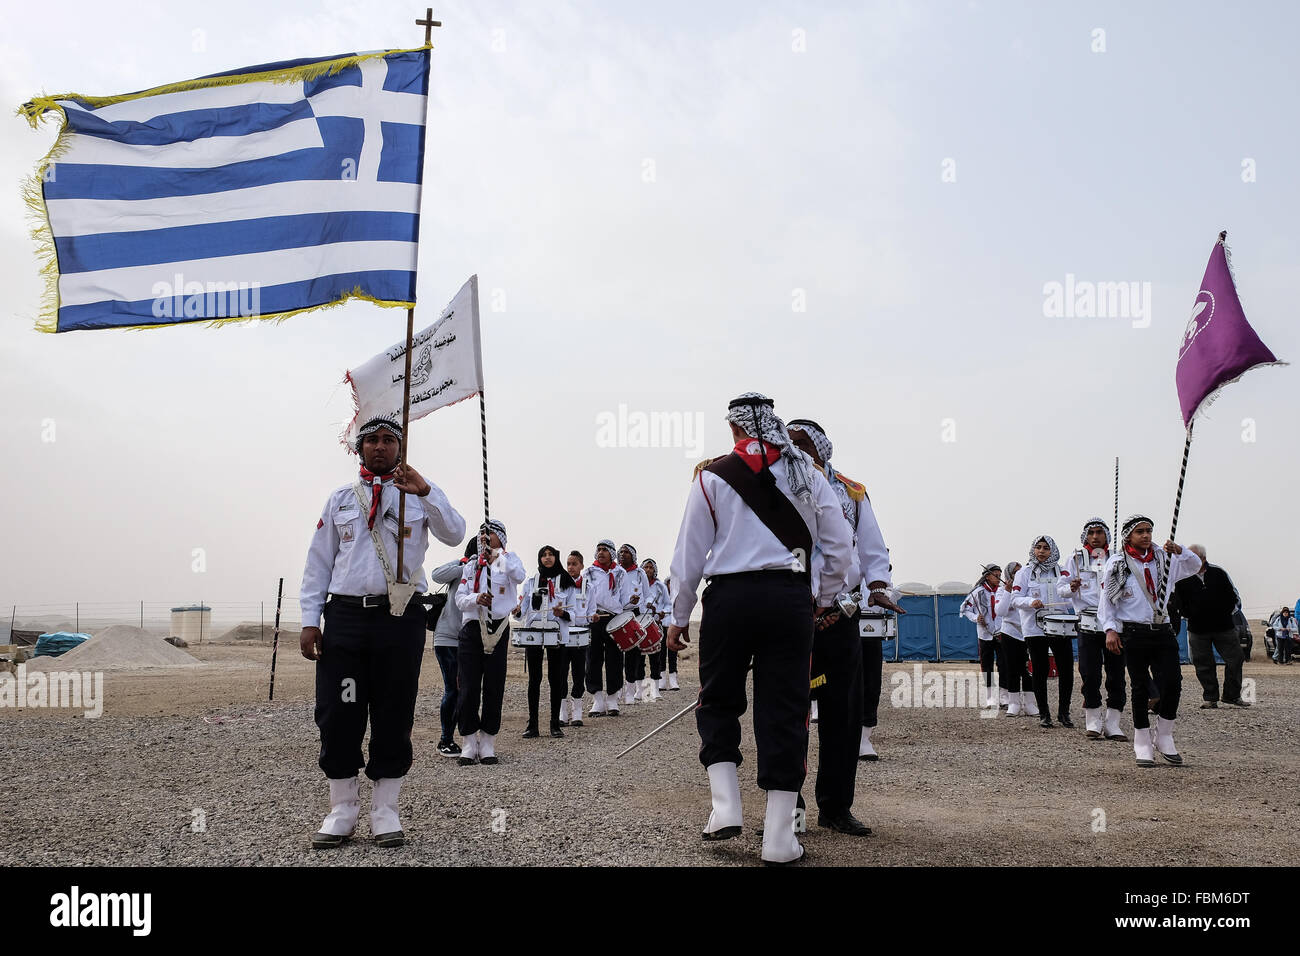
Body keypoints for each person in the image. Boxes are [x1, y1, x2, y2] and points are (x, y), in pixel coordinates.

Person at [667, 392, 854, 865]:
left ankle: (725, 808)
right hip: (788, 599)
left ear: (733, 430)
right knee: (785, 711)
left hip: (728, 599)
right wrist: (824, 597)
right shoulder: (808, 473)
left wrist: (677, 614)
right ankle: (778, 839)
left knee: (718, 699)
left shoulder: (711, 476)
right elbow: (840, 549)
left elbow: (688, 555)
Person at [299, 416, 466, 848]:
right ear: (360, 449)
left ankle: (385, 810)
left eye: (388, 440)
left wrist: (426, 492)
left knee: (393, 710)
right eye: (371, 440)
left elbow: (455, 533)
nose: (379, 447)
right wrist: (308, 619)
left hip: (399, 618)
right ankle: (342, 808)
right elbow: (319, 562)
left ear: (400, 447)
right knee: (340, 710)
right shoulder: (340, 499)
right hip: (347, 621)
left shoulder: (419, 494)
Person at [788, 418, 901, 770]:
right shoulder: (778, 487)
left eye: (802, 443)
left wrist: (878, 586)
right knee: (790, 705)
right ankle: (789, 806)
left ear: (821, 448)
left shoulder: (852, 491)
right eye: (788, 442)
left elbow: (872, 546)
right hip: (792, 608)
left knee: (841, 706)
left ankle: (837, 807)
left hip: (841, 611)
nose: (794, 449)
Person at [1098, 514, 1204, 767]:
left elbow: (1194, 565)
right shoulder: (1117, 563)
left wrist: (1179, 550)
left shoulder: (1164, 558)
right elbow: (1107, 601)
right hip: (1134, 632)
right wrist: (1110, 629)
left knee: (1173, 683)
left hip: (1163, 628)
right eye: (1140, 532)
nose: (1146, 536)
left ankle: (1164, 735)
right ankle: (1142, 740)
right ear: (1128, 536)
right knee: (1140, 687)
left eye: (1149, 530)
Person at [454, 519, 526, 766]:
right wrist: (477, 598)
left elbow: (519, 575)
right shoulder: (472, 566)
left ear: (501, 539)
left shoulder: (509, 560)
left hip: (499, 627)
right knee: (468, 686)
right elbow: (460, 599)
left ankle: (488, 742)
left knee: (494, 686)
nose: (484, 538)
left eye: (490, 535)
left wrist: (497, 557)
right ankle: (468, 740)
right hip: (473, 627)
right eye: (481, 535)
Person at [1061, 519, 1128, 740]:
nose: (1096, 536)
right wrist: (1070, 588)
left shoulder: (1118, 558)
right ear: (1085, 536)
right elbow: (1061, 588)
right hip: (1088, 622)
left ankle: (1113, 722)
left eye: (1100, 532)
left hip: (1115, 623)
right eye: (1091, 533)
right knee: (1089, 673)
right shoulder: (1075, 559)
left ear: (1107, 535)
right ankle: (1092, 719)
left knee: (1116, 674)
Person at [1170, 545, 1250, 707]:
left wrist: (1227, 613)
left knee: (1235, 659)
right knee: (1203, 664)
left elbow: (1234, 596)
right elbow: (1176, 602)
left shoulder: (1218, 573)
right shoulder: (1181, 578)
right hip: (1197, 629)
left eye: (1192, 557)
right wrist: (1188, 614)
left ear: (1203, 558)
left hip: (1224, 627)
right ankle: (1210, 698)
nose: (1188, 560)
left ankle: (1232, 696)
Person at [515, 545, 579, 738]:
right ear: (539, 559)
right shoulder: (532, 582)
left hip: (556, 634)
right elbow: (523, 609)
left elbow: (575, 613)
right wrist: (516, 611)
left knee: (555, 678)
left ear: (556, 557)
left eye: (551, 555)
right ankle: (532, 724)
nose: (547, 558)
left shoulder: (567, 582)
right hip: (534, 633)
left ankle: (554, 724)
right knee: (534, 679)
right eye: (544, 555)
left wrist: (564, 613)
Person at [1011, 535, 1075, 728]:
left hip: (1060, 627)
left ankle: (1064, 713)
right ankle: (1044, 714)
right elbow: (1015, 599)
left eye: (1046, 548)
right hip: (1034, 627)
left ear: (1052, 550)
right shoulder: (1024, 572)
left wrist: (1072, 591)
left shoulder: (1063, 571)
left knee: (1066, 669)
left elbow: (1072, 597)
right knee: (1039, 670)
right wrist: (1031, 602)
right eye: (1038, 547)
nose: (1041, 551)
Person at [429, 538, 480, 757]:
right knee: (454, 688)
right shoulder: (461, 569)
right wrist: (463, 563)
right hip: (448, 638)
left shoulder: (490, 574)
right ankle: (445, 740)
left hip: (472, 639)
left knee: (468, 689)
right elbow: (436, 574)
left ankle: (467, 737)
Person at [584, 539, 626, 716]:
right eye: (598, 549)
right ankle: (597, 699)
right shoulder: (589, 572)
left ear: (612, 553)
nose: (601, 552)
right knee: (593, 657)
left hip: (614, 618)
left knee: (615, 657)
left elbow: (624, 598)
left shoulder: (620, 573)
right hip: (594, 618)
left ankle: (612, 698)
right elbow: (584, 596)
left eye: (605, 550)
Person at [962, 565, 1006, 709]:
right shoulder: (977, 593)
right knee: (987, 666)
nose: (999, 578)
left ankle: (1004, 697)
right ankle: (989, 698)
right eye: (996, 575)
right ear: (987, 576)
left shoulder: (1002, 591)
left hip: (1001, 632)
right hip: (985, 634)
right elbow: (965, 609)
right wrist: (976, 617)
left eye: (1000, 575)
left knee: (1004, 664)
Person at [998, 561, 1035, 715]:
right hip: (1010, 633)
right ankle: (1013, 703)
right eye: (1014, 573)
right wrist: (1008, 592)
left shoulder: (1026, 589)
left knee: (1028, 670)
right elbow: (1000, 611)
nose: (1017, 575)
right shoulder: (1001, 591)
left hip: (1027, 633)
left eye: (1020, 572)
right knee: (1011, 668)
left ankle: (1030, 704)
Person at [559, 550, 589, 725]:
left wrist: (592, 616)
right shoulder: (561, 586)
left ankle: (577, 712)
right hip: (563, 635)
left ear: (581, 566)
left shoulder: (588, 587)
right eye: (568, 564)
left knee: (579, 674)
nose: (571, 567)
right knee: (561, 674)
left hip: (580, 636)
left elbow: (591, 609)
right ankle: (562, 712)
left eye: (574, 564)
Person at [617, 544, 650, 704]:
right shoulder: (615, 572)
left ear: (633, 556)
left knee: (633, 653)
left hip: (634, 615)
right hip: (617, 614)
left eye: (626, 552)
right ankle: (616, 690)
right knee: (615, 655)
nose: (623, 554)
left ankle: (630, 691)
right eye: (621, 552)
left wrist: (648, 605)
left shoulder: (639, 573)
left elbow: (648, 595)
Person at [641, 558, 669, 702]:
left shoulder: (660, 586)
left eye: (651, 567)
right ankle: (638, 690)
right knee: (639, 658)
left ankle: (656, 689)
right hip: (640, 623)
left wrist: (662, 612)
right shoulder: (639, 584)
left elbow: (668, 604)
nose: (648, 570)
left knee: (655, 657)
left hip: (655, 622)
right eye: (646, 567)